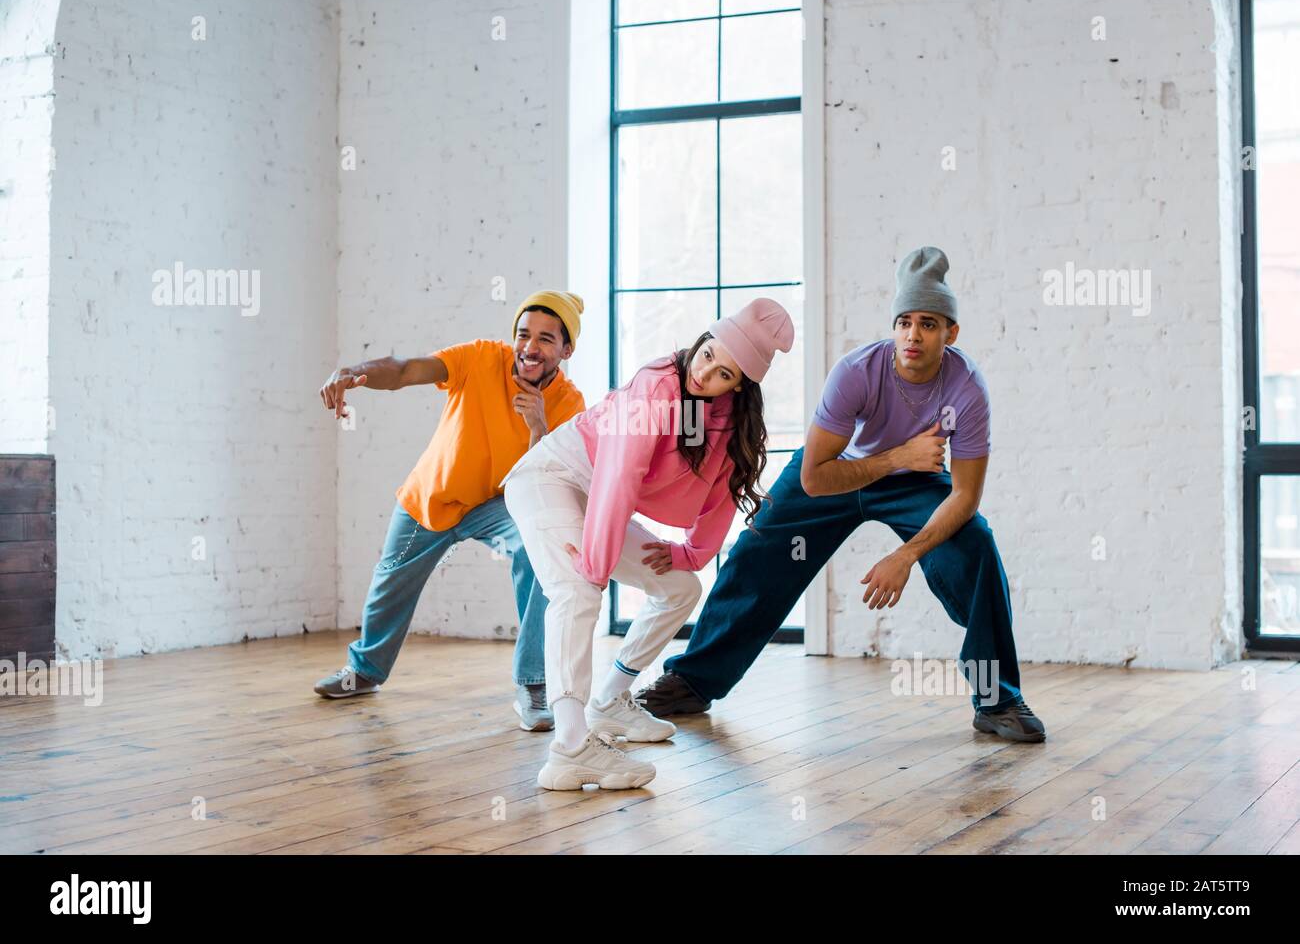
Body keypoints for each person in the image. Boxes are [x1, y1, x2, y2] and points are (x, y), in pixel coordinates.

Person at [637, 248, 1047, 744]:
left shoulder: (966, 388)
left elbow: (964, 495)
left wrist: (907, 554)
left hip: (915, 482)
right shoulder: (856, 371)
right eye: (905, 322)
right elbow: (813, 478)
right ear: (894, 326)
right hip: (838, 471)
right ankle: (691, 681)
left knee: (975, 548)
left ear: (950, 332)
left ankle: (998, 699)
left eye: (929, 324)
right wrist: (898, 456)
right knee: (760, 549)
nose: (913, 335)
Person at [503, 298, 795, 789]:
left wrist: (691, 555)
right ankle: (571, 748)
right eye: (708, 356)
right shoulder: (656, 386)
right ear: (701, 341)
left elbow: (724, 488)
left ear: (740, 387)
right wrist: (595, 563)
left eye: (725, 374)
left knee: (681, 588)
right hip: (551, 476)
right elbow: (619, 474)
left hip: (595, 494)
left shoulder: (723, 418)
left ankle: (610, 701)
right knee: (577, 590)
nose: (706, 375)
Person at [312, 291, 586, 734]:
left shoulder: (570, 404)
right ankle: (364, 672)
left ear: (566, 350)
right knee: (391, 576)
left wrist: (539, 426)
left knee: (540, 552)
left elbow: (546, 483)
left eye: (545, 340)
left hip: (497, 506)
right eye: (523, 334)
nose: (530, 348)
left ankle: (534, 684)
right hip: (434, 496)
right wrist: (353, 373)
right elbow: (405, 369)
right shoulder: (480, 358)